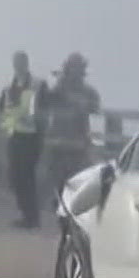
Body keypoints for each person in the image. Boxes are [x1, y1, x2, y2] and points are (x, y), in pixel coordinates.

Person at [42, 53, 102, 206]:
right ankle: (58, 202)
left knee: (76, 178)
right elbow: (46, 103)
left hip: (77, 143)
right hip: (58, 142)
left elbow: (95, 107)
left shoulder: (88, 92)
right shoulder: (59, 88)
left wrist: (78, 103)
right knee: (57, 175)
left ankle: (68, 205)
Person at [0, 51, 48, 228]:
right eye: (16, 62)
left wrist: (42, 137)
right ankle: (26, 213)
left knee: (27, 178)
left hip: (31, 138)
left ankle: (31, 217)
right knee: (15, 177)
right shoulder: (8, 87)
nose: (18, 65)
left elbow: (44, 111)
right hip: (15, 137)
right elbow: (1, 108)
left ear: (26, 63)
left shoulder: (38, 84)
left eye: (21, 62)